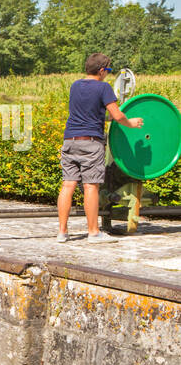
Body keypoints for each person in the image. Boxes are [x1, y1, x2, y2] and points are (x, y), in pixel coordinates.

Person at [57, 53, 143, 243]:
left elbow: (90, 113)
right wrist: (132, 122)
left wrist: (107, 117)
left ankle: (62, 233)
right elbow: (117, 115)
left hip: (70, 140)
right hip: (90, 142)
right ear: (102, 70)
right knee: (90, 186)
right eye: (109, 71)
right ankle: (93, 232)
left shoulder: (75, 86)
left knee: (68, 185)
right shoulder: (103, 87)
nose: (108, 75)